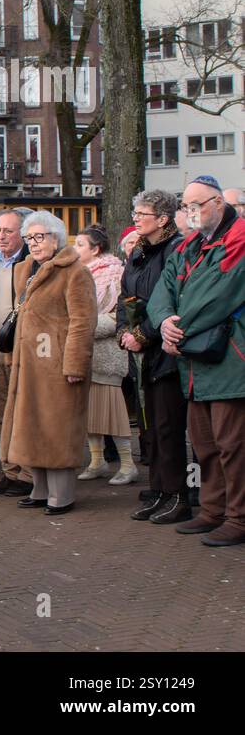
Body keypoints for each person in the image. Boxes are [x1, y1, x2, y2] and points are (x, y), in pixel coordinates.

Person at [149, 174, 245, 546]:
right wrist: (164, 321)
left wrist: (176, 328)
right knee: (204, 445)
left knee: (232, 446)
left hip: (228, 362)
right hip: (195, 363)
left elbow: (216, 296)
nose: (189, 213)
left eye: (195, 205)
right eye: (185, 207)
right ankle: (212, 510)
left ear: (218, 204)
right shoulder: (188, 247)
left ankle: (237, 517)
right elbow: (163, 290)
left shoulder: (238, 242)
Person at [1, 212, 96, 515]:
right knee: (31, 426)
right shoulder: (27, 271)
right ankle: (39, 489)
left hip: (57, 366)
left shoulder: (75, 272)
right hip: (28, 365)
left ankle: (61, 495)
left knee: (57, 429)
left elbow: (83, 322)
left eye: (39, 237)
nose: (34, 244)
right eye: (29, 238)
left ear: (56, 237)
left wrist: (74, 365)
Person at [120, 190, 191, 524]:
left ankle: (178, 495)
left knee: (168, 427)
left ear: (163, 219)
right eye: (135, 213)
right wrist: (125, 331)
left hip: (165, 354)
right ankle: (159, 491)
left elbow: (171, 300)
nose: (135, 219)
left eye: (142, 214)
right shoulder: (138, 252)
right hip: (142, 356)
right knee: (150, 430)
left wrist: (142, 334)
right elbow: (126, 295)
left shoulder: (177, 250)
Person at [73, 226, 138, 485]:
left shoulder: (115, 275)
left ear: (95, 248)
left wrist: (83, 326)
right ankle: (97, 461)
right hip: (84, 356)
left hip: (108, 356)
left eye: (79, 244)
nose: (74, 249)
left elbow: (119, 317)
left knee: (114, 413)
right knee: (90, 413)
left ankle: (128, 464)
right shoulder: (79, 275)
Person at [0, 209, 32, 494]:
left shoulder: (30, 264)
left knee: (21, 412)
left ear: (22, 234)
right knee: (1, 414)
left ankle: (27, 474)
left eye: (8, 231)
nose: (0, 236)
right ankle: (9, 471)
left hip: (17, 350)